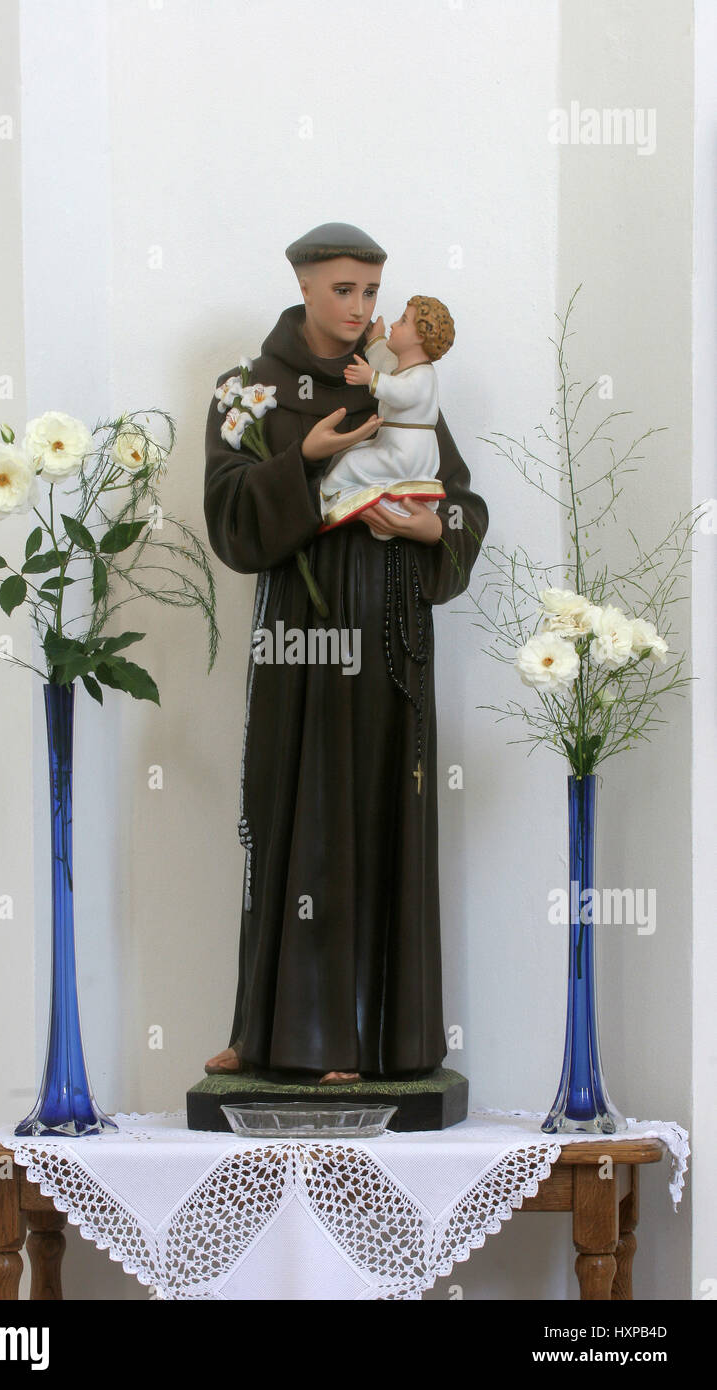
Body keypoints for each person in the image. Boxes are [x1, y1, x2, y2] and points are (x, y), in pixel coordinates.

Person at [203, 222, 489, 1084]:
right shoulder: (248, 388)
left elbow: (460, 498)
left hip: (390, 624)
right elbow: (225, 513)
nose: (361, 308)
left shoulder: (401, 382)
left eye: (371, 291)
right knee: (293, 811)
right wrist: (305, 458)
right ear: (303, 287)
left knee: (376, 811)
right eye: (343, 290)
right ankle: (272, 1035)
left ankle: (374, 1038)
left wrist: (435, 526)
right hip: (301, 630)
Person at [319, 296, 454, 537]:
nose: (394, 324)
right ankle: (350, 496)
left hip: (408, 453)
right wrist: (376, 340)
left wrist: (370, 378)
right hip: (392, 444)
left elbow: (401, 392)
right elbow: (384, 361)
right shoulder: (401, 364)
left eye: (403, 321)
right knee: (350, 452)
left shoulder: (423, 376)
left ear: (421, 337)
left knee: (352, 462)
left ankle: (325, 499)